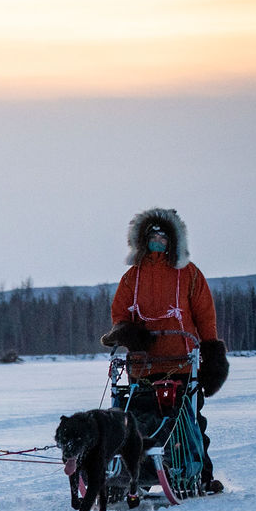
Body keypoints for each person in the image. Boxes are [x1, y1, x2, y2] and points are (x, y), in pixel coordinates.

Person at [103, 207, 228, 493]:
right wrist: (127, 333)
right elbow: (120, 312)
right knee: (137, 422)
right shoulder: (132, 277)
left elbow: (205, 316)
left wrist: (211, 352)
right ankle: (136, 478)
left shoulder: (189, 274)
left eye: (162, 238)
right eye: (152, 238)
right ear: (142, 240)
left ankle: (202, 476)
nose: (157, 243)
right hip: (143, 365)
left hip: (181, 364)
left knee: (189, 422)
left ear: (173, 241)